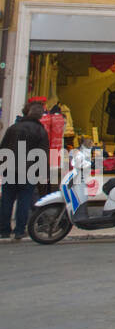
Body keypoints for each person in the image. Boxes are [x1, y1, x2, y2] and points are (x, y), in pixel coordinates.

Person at [0, 102, 50, 241]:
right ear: (40, 116)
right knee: (24, 200)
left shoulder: (14, 128)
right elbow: (42, 154)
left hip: (10, 168)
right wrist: (43, 175)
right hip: (29, 171)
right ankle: (19, 230)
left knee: (6, 200)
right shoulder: (40, 131)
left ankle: (4, 230)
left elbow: (3, 148)